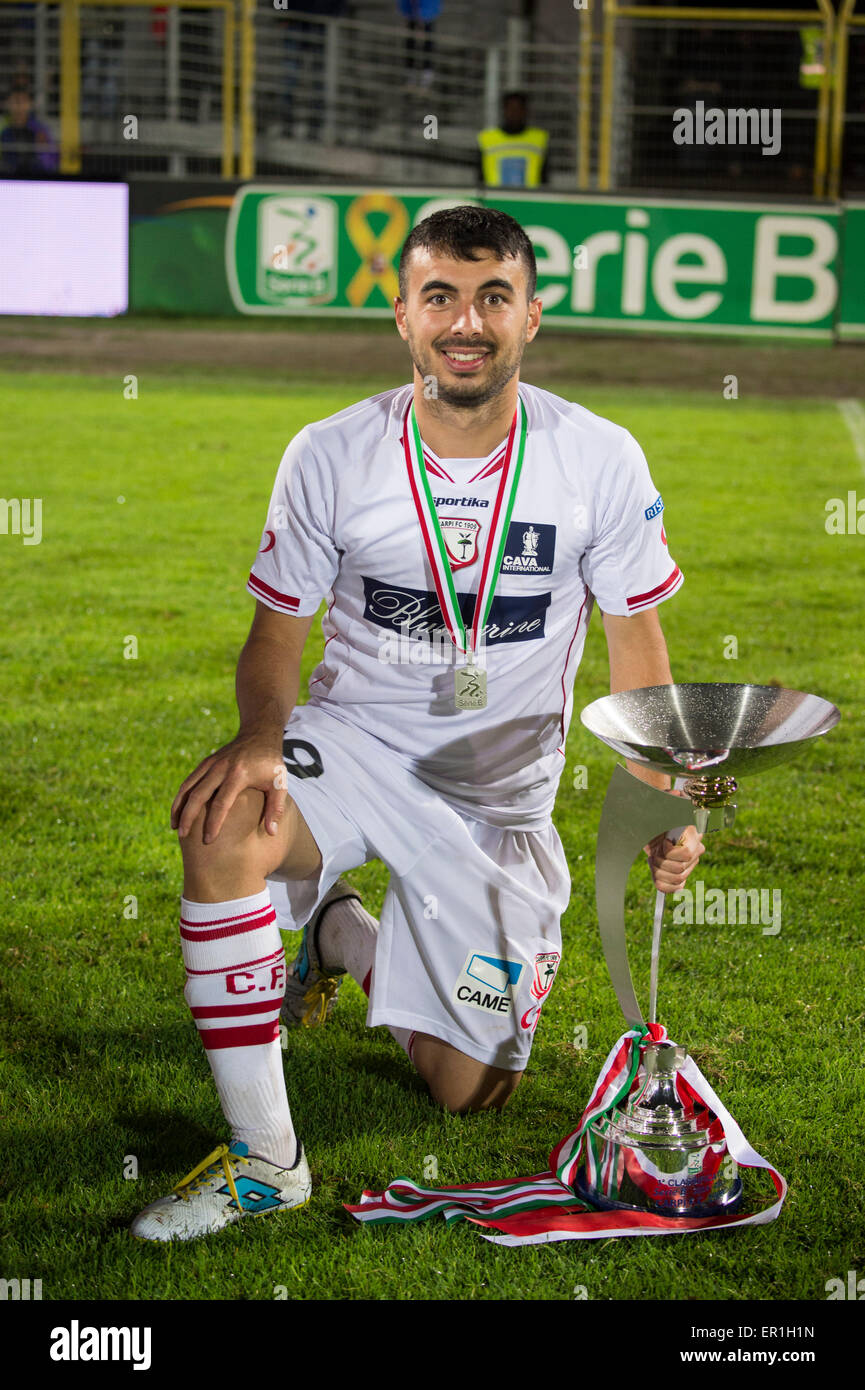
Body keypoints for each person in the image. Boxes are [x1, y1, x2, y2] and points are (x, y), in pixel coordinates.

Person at [130, 205, 705, 1242]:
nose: (466, 321)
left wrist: (663, 796)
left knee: (464, 1090)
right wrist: (263, 737)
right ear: (403, 315)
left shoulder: (600, 458)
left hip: (496, 799)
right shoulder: (329, 451)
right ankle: (267, 1160)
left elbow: (637, 647)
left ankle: (338, 931)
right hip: (354, 744)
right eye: (439, 295)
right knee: (224, 827)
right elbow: (273, 638)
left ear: (533, 316)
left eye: (493, 297)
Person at [477, 91, 549, 188]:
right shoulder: (486, 138)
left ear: (525, 111)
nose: (514, 113)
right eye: (511, 109)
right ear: (504, 110)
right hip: (493, 199)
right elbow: (479, 176)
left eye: (518, 109)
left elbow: (545, 177)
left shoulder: (539, 138)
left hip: (531, 199)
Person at [0, 87, 58, 176]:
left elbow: (51, 165)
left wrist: (42, 151)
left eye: (23, 101)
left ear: (30, 104)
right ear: (8, 104)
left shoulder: (41, 131)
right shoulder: (3, 130)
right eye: (15, 101)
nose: (19, 106)